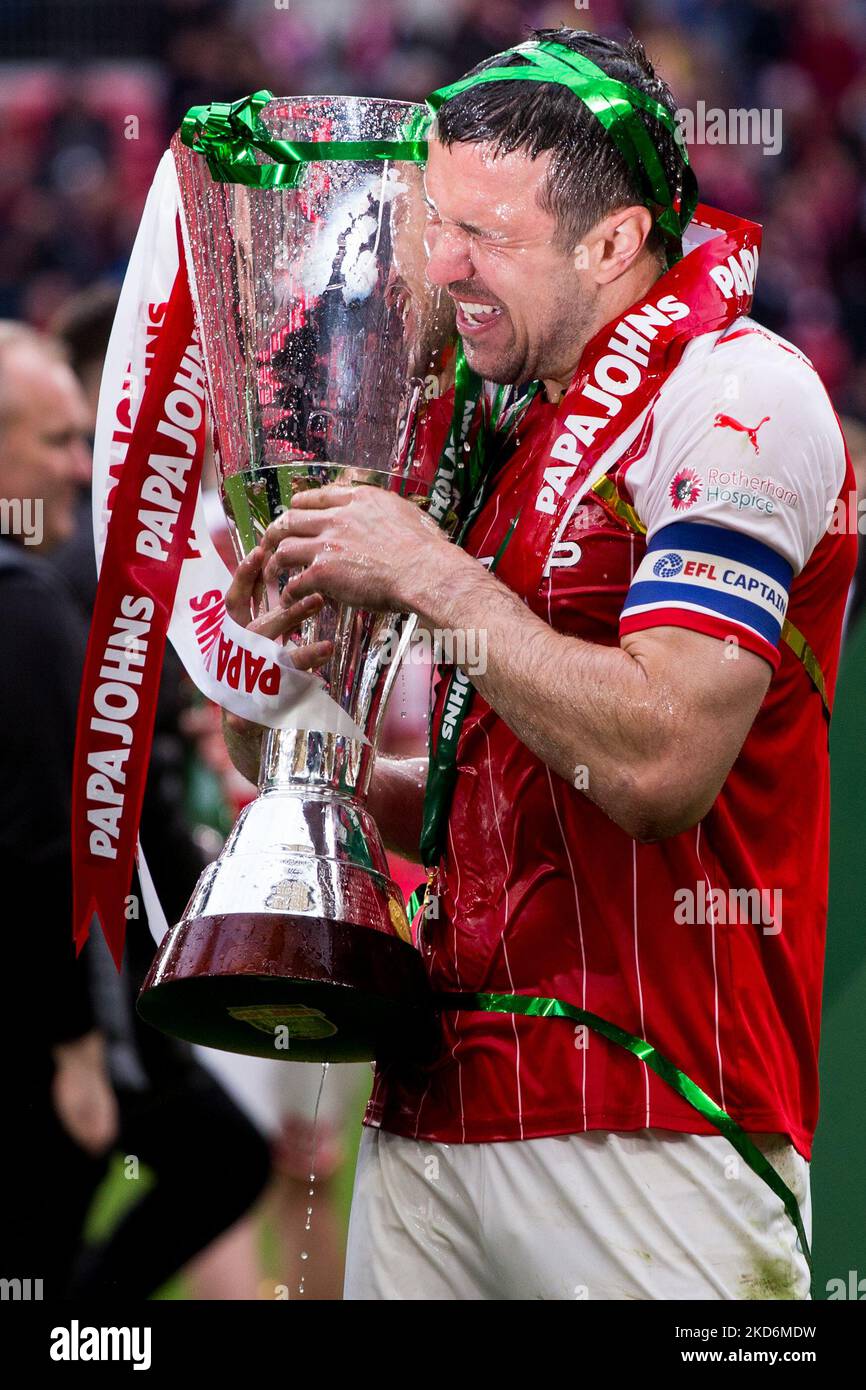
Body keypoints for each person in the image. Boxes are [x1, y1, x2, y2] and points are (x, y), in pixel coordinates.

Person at [221, 29, 856, 1300]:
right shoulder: (501, 429)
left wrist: (432, 576)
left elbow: (660, 760)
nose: (439, 265)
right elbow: (510, 794)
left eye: (484, 234)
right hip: (433, 1102)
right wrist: (311, 767)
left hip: (651, 1113)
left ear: (613, 242)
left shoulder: (737, 395)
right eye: (434, 221)